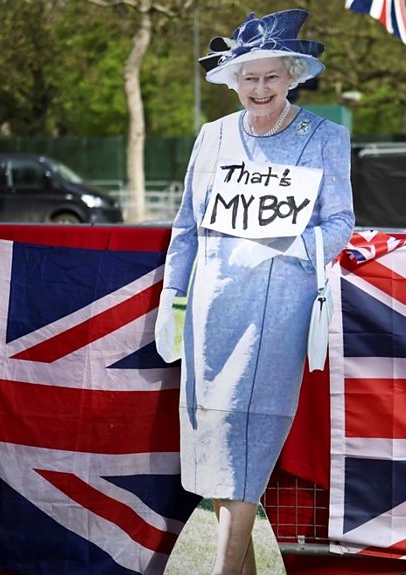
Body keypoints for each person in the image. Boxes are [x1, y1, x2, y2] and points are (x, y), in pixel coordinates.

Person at [154, 9, 355, 574]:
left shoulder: (324, 137)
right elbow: (187, 226)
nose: (259, 89)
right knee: (217, 436)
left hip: (277, 310)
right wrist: (174, 300)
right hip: (209, 309)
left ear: (292, 75)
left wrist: (293, 248)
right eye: (248, 78)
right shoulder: (211, 136)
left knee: (251, 432)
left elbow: (340, 221)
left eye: (271, 77)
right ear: (233, 80)